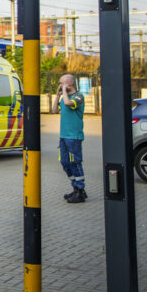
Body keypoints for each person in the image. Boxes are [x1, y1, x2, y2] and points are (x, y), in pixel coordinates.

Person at [53, 74, 87, 203]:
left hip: (74, 137)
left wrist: (64, 92)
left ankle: (80, 191)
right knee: (65, 162)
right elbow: (54, 110)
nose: (60, 86)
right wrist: (58, 95)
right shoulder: (64, 97)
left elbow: (68, 103)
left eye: (62, 83)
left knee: (75, 163)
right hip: (64, 136)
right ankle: (75, 187)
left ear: (70, 84)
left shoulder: (78, 96)